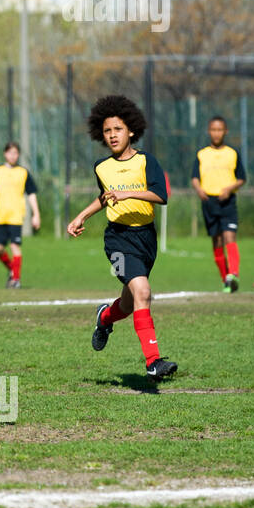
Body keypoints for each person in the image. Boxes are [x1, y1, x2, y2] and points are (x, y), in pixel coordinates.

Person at [67, 95, 177, 380]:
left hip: (145, 239)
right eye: (107, 131)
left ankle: (104, 317)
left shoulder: (146, 161)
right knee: (143, 292)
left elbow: (160, 196)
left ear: (130, 131)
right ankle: (153, 361)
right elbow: (105, 198)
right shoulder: (101, 167)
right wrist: (81, 215)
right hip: (117, 240)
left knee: (128, 304)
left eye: (117, 129)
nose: (112, 135)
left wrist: (128, 192)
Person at [0, 142, 41, 288]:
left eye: (16, 153)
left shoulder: (23, 173)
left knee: (15, 247)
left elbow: (31, 195)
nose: (13, 155)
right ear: (5, 154)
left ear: (18, 155)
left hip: (16, 216)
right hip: (0, 216)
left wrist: (36, 214)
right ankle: (12, 269)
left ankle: (15, 279)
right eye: (10, 152)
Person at [192, 115, 245, 292]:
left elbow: (242, 178)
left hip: (227, 201)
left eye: (220, 129)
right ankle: (226, 280)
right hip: (209, 202)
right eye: (213, 129)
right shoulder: (202, 154)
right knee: (217, 241)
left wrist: (229, 188)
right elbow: (194, 178)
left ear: (225, 131)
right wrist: (199, 190)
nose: (216, 133)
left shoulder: (232, 153)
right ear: (209, 131)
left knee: (229, 236)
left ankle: (234, 273)